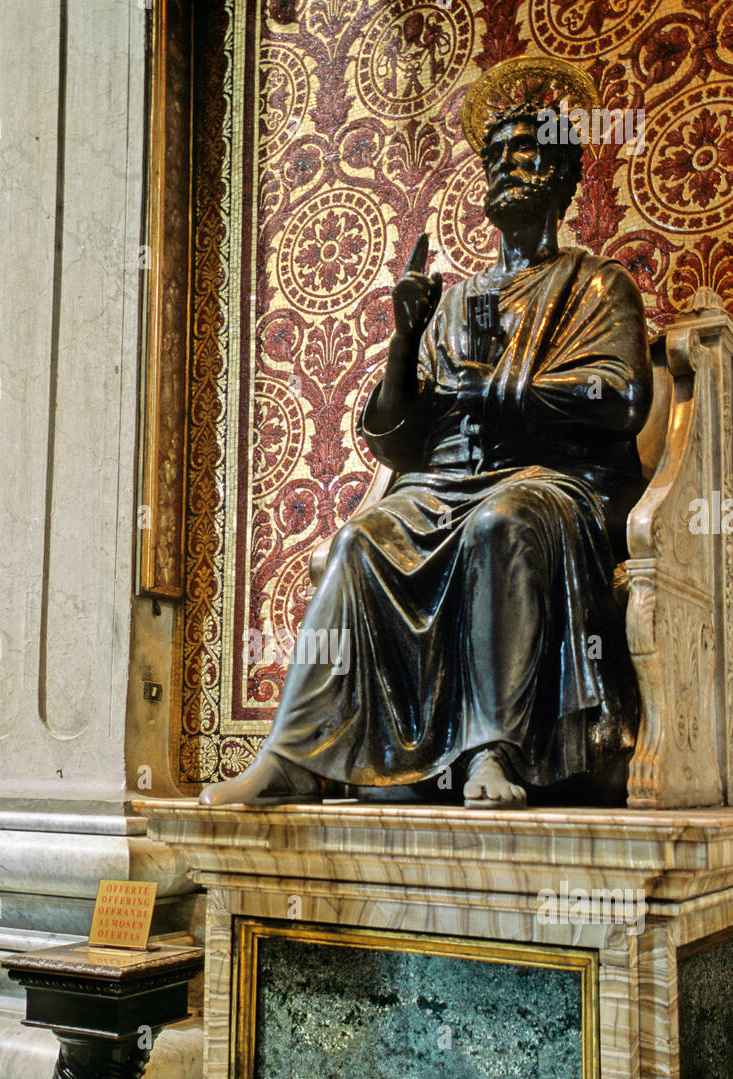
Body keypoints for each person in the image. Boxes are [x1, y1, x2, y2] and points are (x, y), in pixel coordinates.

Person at [200, 89, 652, 811]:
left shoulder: (598, 286)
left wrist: (503, 392)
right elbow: (401, 442)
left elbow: (623, 397)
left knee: (500, 524)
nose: (508, 165)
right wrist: (406, 339)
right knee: (360, 540)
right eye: (497, 153)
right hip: (444, 487)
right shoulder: (457, 301)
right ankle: (295, 755)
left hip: (553, 485)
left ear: (565, 176)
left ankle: (490, 751)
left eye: (528, 149)